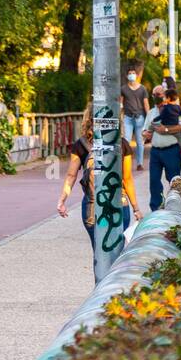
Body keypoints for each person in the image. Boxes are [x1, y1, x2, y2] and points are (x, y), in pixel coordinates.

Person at [56, 102, 142, 281]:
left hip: (92, 207)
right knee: (117, 254)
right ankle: (115, 295)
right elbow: (127, 179)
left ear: (88, 119)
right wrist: (136, 208)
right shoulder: (122, 144)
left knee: (99, 254)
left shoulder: (81, 145)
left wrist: (62, 200)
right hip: (120, 206)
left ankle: (100, 293)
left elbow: (71, 175)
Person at [146, 88, 181, 211]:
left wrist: (166, 130)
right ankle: (156, 208)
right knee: (154, 180)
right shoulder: (151, 112)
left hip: (171, 150)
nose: (156, 97)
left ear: (165, 96)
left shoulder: (173, 108)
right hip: (155, 151)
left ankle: (175, 207)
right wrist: (146, 133)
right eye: (154, 95)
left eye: (159, 94)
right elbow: (146, 130)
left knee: (174, 181)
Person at [121, 64, 151, 171]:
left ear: (137, 75)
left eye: (133, 73)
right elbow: (121, 103)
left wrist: (149, 118)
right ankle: (125, 162)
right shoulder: (123, 89)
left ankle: (140, 163)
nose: (131, 75)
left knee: (140, 142)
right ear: (127, 75)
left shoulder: (142, 89)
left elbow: (146, 104)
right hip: (128, 118)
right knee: (126, 141)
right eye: (130, 73)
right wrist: (120, 115)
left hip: (140, 118)